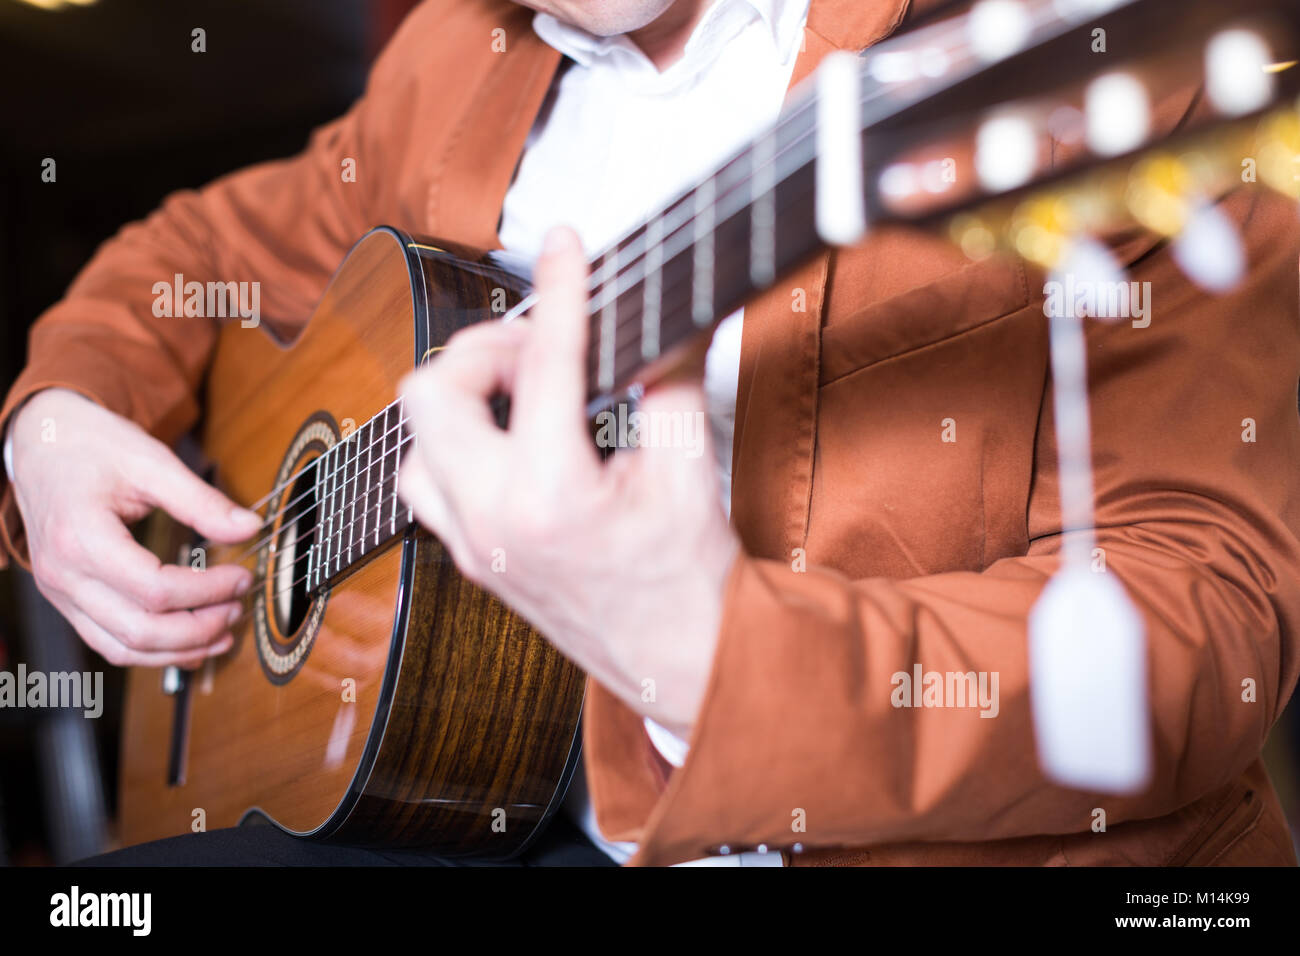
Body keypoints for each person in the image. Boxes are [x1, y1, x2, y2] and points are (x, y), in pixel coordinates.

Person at [4, 0, 1300, 867]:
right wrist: (55, 420)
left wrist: (706, 654)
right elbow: (204, 248)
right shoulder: (457, 54)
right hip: (485, 809)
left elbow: (1206, 635)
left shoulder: (1096, 68)